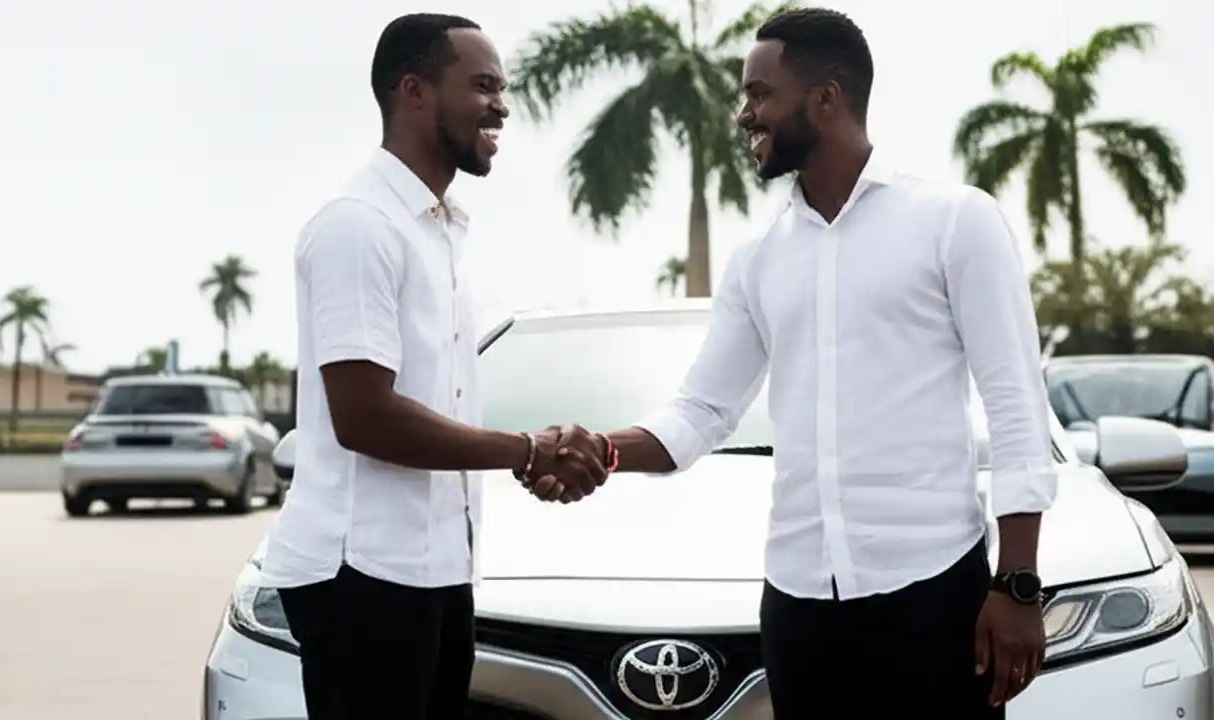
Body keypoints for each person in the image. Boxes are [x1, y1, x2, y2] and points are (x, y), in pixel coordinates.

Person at [533, 7, 1055, 718]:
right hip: (800, 610)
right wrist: (600, 449)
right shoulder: (759, 260)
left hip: (934, 596)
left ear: (826, 99)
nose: (744, 114)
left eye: (758, 94)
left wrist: (1017, 582)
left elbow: (1016, 403)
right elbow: (700, 413)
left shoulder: (955, 222)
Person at [258, 13, 607, 720]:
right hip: (361, 576)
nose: (502, 105)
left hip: (436, 572)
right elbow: (365, 416)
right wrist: (526, 449)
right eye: (482, 86)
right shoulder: (360, 225)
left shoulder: (437, 232)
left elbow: (434, 406)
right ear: (413, 91)